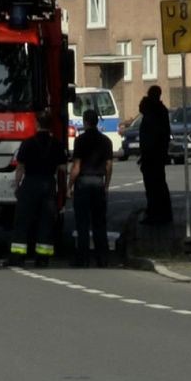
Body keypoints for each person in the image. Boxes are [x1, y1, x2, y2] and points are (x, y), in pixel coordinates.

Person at [8, 121, 67, 267]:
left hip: (30, 183)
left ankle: (18, 256)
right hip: (48, 184)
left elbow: (20, 167)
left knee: (22, 221)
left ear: (37, 125)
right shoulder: (57, 144)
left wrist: (17, 185)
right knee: (46, 221)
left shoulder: (28, 143)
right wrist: (61, 189)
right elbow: (62, 168)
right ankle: (42, 258)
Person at [69, 109, 114, 267]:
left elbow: (76, 166)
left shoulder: (80, 140)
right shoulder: (106, 141)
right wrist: (106, 185)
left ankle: (83, 259)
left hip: (83, 182)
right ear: (97, 121)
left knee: (82, 223)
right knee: (99, 223)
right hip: (98, 182)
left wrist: (70, 186)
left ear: (85, 121)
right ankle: (102, 258)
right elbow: (109, 166)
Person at [138, 85, 173, 225]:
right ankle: (162, 213)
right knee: (159, 185)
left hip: (152, 155)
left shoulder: (154, 112)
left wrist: (147, 154)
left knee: (154, 186)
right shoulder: (160, 111)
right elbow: (164, 135)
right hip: (156, 154)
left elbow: (155, 136)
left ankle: (156, 213)